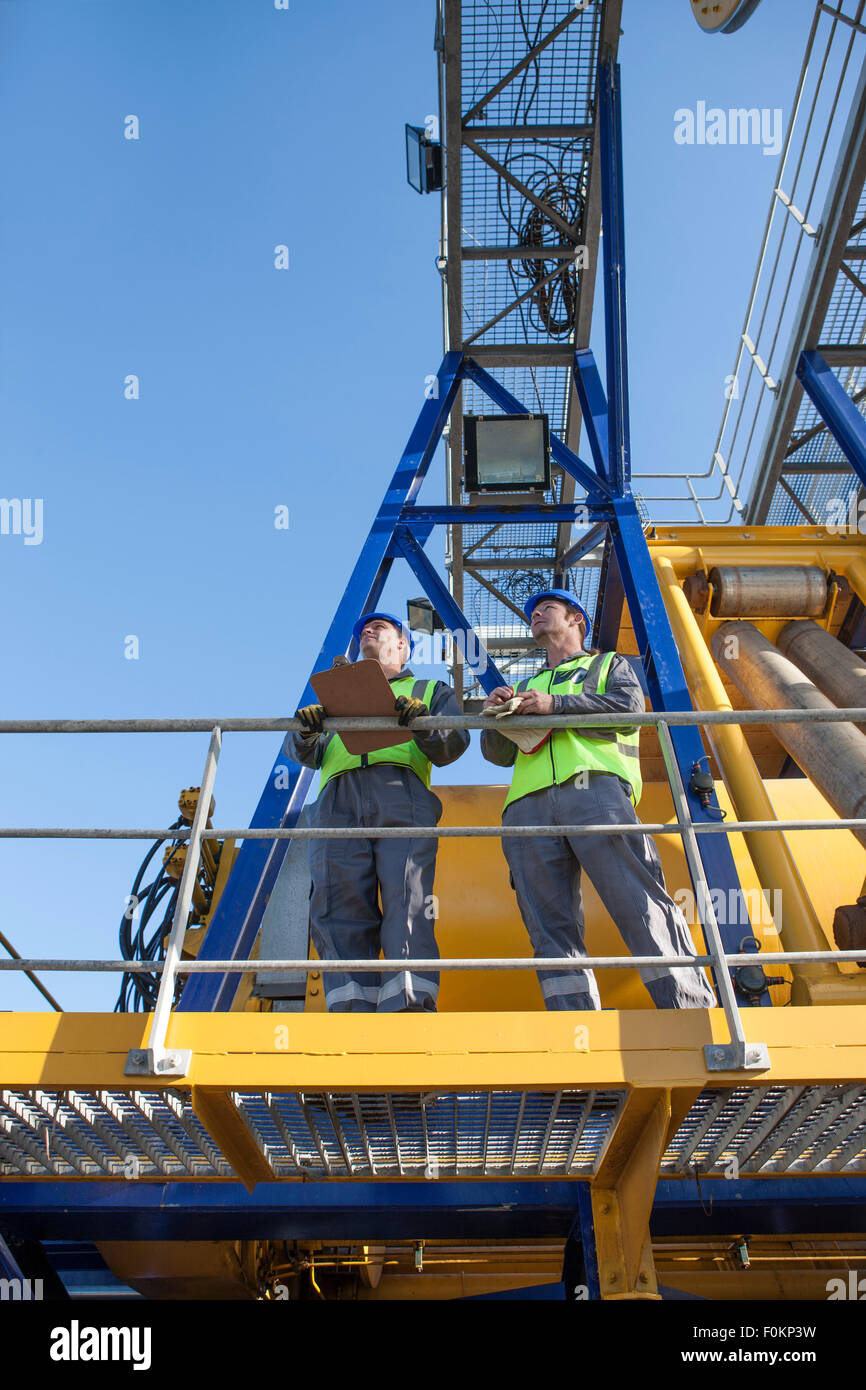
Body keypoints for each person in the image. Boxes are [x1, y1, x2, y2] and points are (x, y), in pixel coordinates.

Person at [480, 589, 716, 1011]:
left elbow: (629, 708)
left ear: (577, 621)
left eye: (546, 608)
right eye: (532, 612)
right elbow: (497, 757)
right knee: (549, 928)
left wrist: (557, 705)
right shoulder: (524, 685)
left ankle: (691, 1012)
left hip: (595, 793)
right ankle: (576, 1034)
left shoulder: (608, 664)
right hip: (526, 808)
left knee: (639, 900)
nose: (535, 614)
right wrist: (494, 718)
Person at [290, 611, 468, 1012]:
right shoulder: (333, 694)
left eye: (380, 628)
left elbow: (453, 745)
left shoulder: (430, 688)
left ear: (403, 646)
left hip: (400, 792)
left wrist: (422, 724)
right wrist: (305, 731)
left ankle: (408, 1004)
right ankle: (352, 1009)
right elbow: (303, 752)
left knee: (408, 898)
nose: (367, 630)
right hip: (337, 799)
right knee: (337, 904)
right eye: (363, 630)